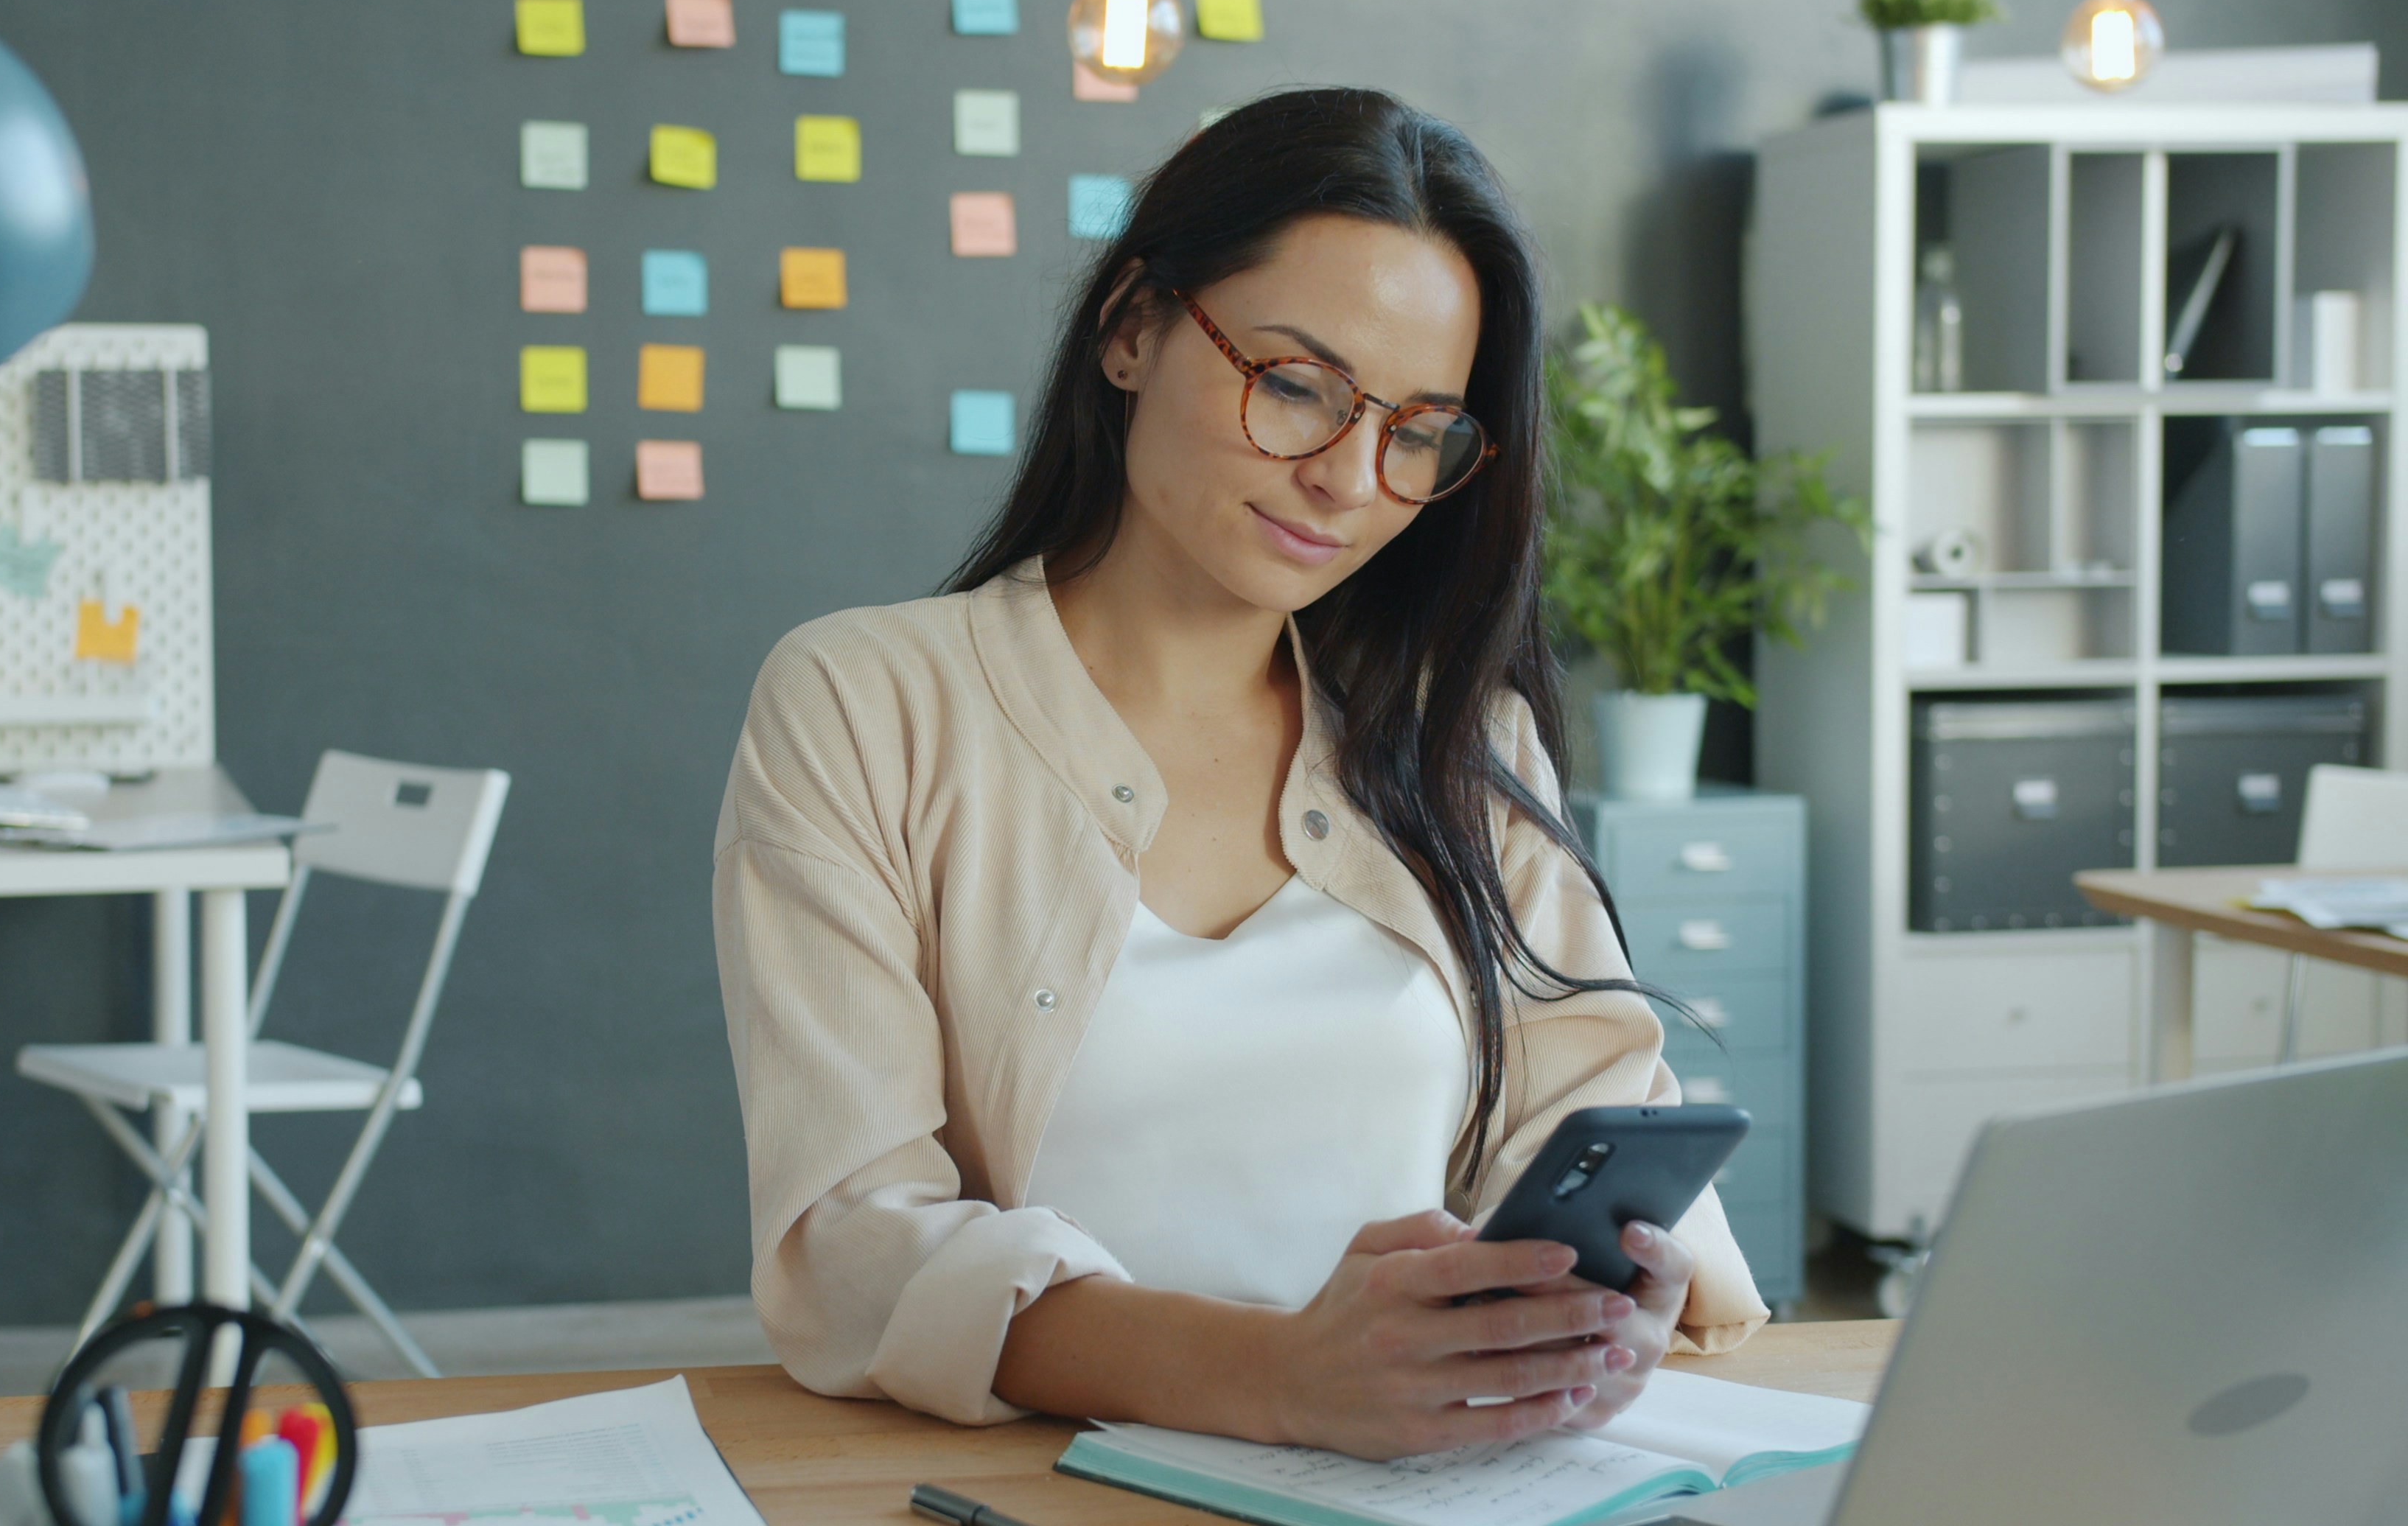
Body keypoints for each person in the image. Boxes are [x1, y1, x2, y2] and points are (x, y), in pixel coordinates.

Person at [710, 86, 1765, 1462]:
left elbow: (1586, 1109)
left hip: (1439, 1480)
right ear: (1133, 327)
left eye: (1416, 429)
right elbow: (849, 1233)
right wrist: (1276, 1378)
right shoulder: (866, 702)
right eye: (1296, 385)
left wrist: (1617, 1280)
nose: (1346, 478)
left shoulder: (1463, 735)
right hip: (1041, 1479)